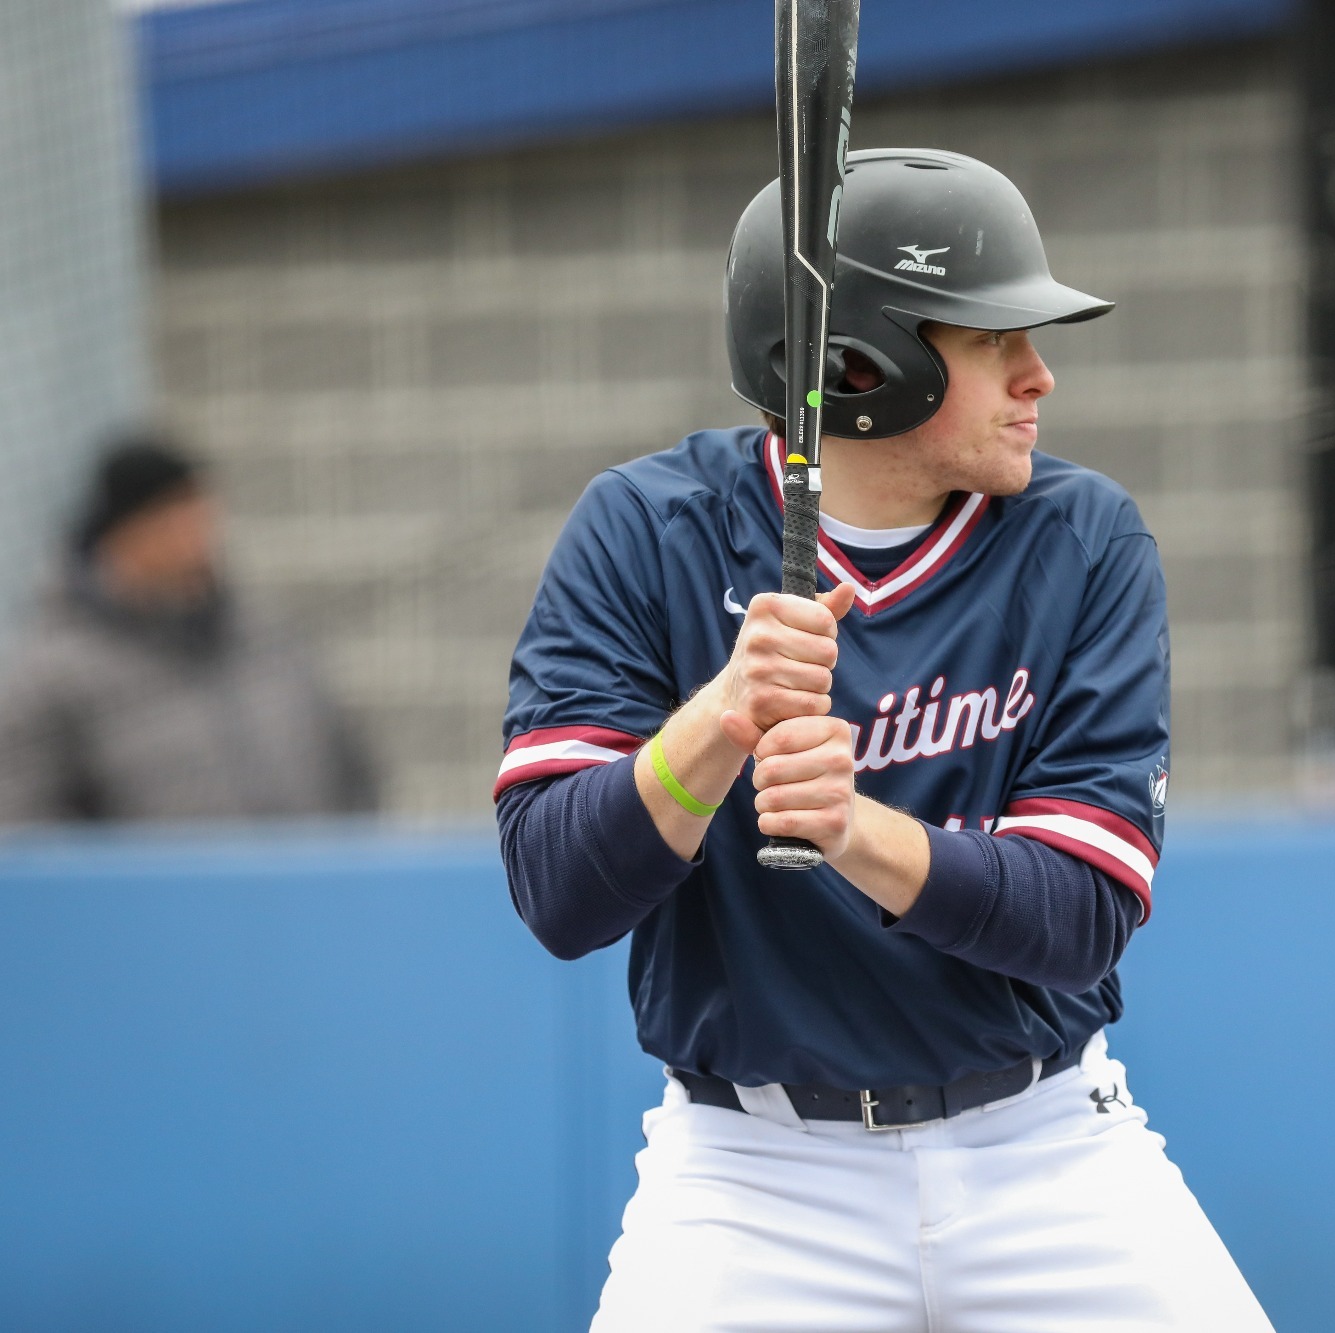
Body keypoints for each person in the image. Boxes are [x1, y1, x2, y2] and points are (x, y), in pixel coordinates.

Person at [497, 149, 1272, 1331]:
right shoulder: (648, 530)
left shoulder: (1082, 540)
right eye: (992, 340)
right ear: (864, 367)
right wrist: (720, 721)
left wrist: (854, 828)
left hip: (1044, 1146)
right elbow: (558, 889)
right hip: (754, 1176)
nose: (1038, 375)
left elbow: (1078, 916)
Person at [0, 433, 375, 823]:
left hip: (304, 880)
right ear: (125, 528)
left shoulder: (266, 639)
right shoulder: (53, 677)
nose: (197, 533)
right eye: (173, 514)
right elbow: (25, 826)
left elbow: (351, 774)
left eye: (201, 510)